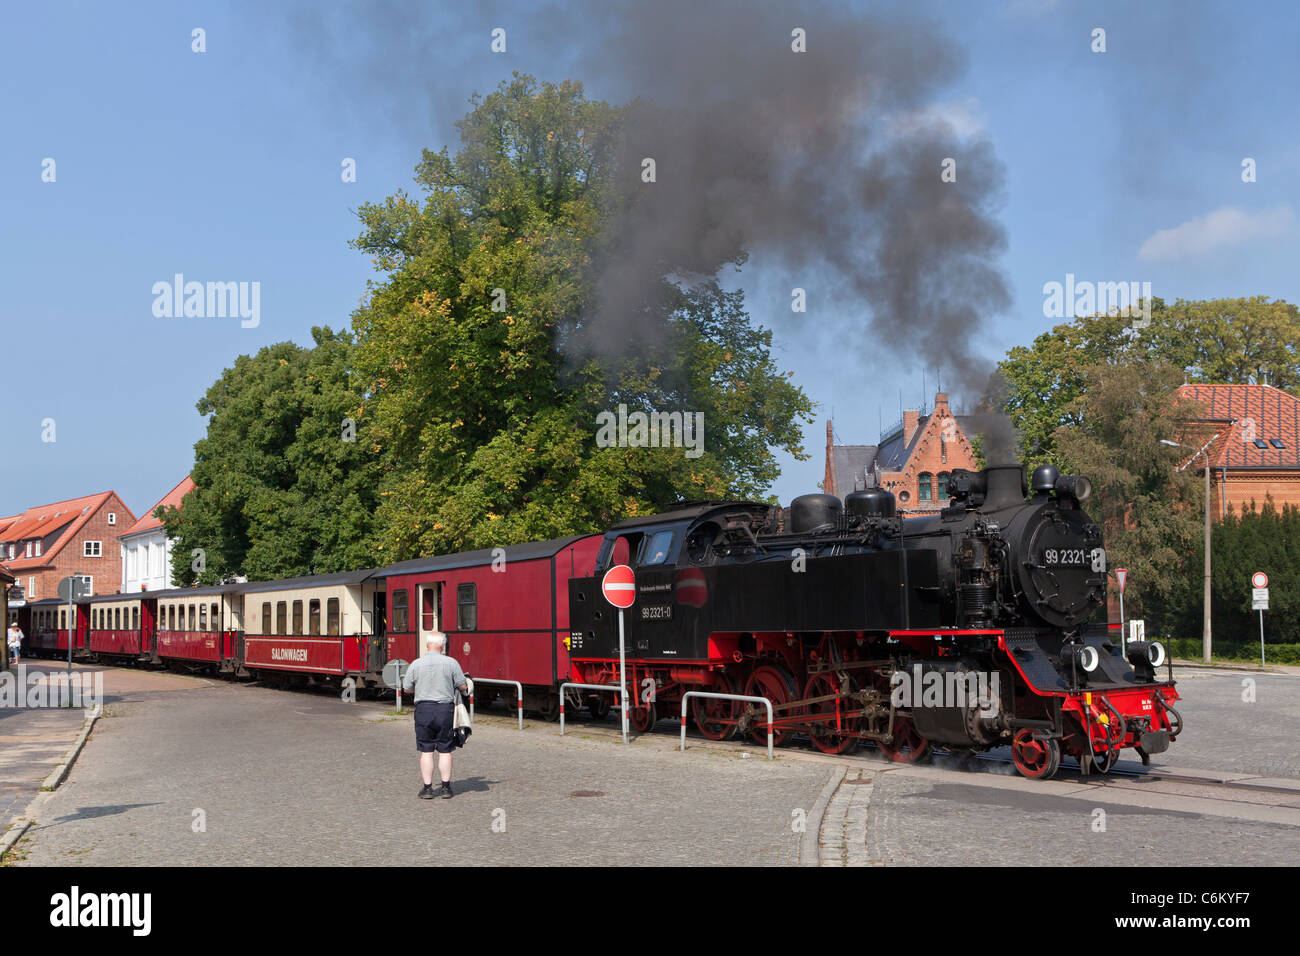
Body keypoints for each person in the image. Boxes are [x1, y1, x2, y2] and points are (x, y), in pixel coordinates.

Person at [401, 633, 471, 799]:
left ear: (427, 645)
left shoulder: (416, 664)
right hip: (445, 711)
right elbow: (462, 686)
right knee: (445, 749)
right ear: (443, 645)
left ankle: (427, 789)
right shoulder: (451, 663)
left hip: (424, 710)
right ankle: (446, 788)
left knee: (426, 750)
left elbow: (407, 688)